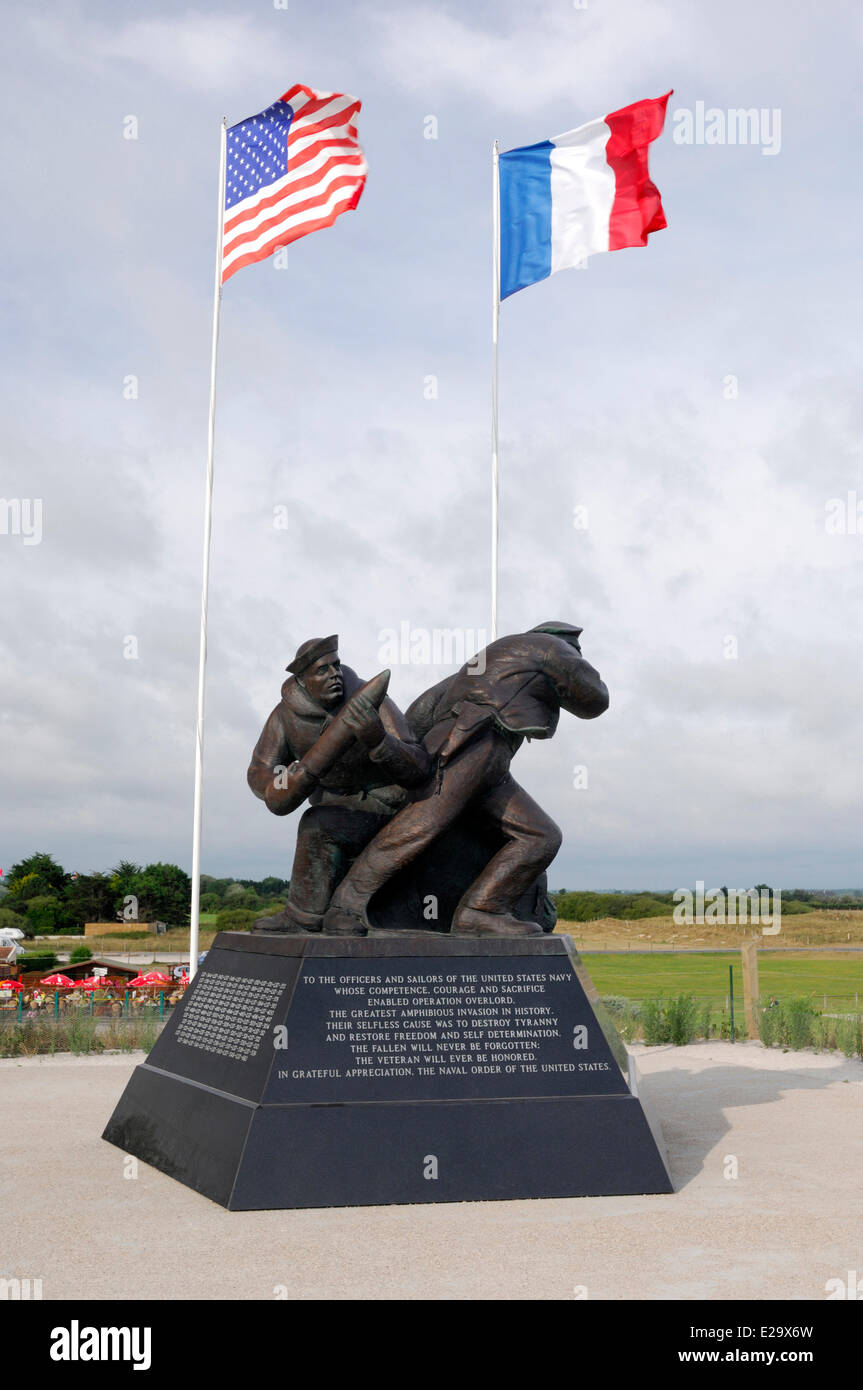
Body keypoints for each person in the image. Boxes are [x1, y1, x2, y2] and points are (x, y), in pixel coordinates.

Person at [322, 622, 609, 938]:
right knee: (419, 826)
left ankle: (481, 911)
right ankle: (345, 908)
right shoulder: (551, 646)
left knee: (541, 835)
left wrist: (417, 754)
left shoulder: (486, 663)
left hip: (486, 756)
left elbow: (423, 708)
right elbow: (594, 700)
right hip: (471, 743)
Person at [247, 635, 432, 932]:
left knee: (318, 824)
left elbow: (418, 765)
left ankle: (308, 918)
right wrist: (284, 782)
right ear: (303, 680)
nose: (333, 674)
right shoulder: (285, 717)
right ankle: (308, 917)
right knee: (320, 821)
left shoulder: (372, 702)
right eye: (322, 670)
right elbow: (260, 769)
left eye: (336, 665)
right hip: (335, 805)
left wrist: (379, 740)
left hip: (388, 806)